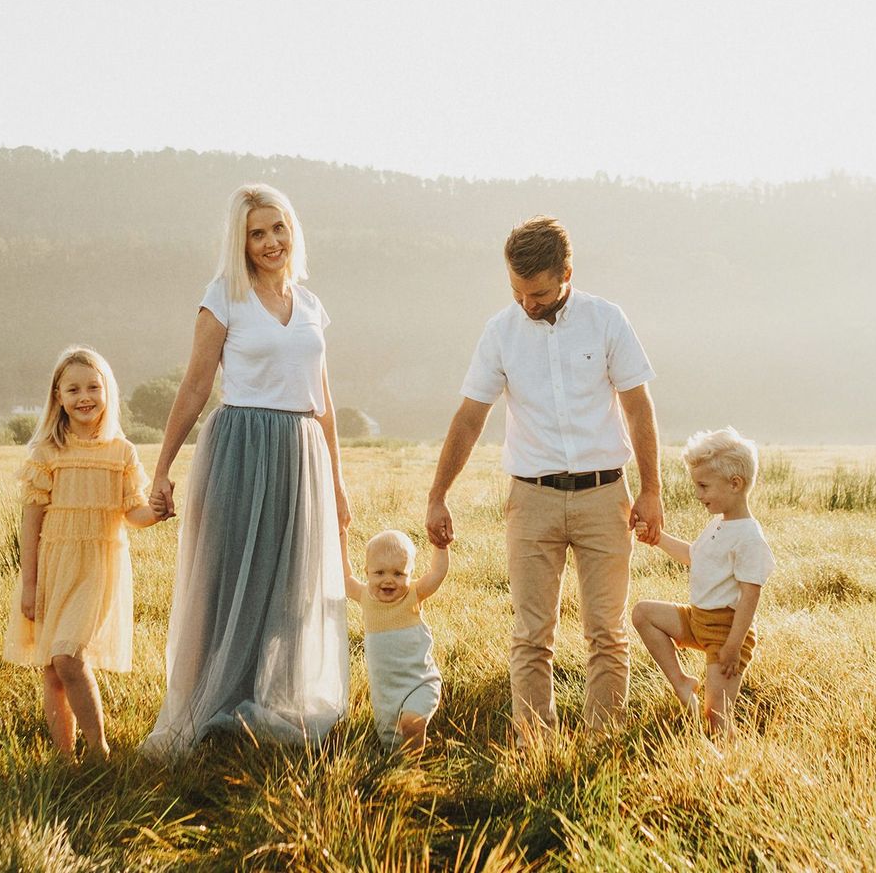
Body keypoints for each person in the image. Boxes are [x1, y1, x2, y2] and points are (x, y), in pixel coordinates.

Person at [426, 215, 663, 738]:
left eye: (538, 293)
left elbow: (638, 408)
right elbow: (470, 417)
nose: (528, 304)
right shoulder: (500, 332)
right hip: (531, 500)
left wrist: (651, 490)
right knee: (532, 634)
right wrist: (438, 495)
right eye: (517, 292)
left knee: (607, 632)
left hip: (606, 496)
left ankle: (602, 746)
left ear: (567, 273)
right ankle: (535, 749)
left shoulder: (606, 320)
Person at [142, 184, 350, 756]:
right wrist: (161, 468)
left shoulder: (310, 307)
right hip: (240, 448)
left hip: (301, 453)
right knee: (228, 580)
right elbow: (194, 387)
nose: (270, 242)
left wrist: (336, 481)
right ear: (241, 242)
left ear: (292, 231)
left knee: (291, 589)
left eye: (277, 228)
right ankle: (207, 709)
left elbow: (323, 400)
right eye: (256, 233)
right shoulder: (224, 298)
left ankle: (268, 707)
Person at [3, 346, 164, 761]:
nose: (84, 396)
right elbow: (31, 523)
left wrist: (157, 512)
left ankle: (98, 751)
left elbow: (133, 512)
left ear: (108, 392)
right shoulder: (47, 453)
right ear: (57, 396)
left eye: (93, 386)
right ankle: (65, 758)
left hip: (98, 566)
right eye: (72, 389)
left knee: (68, 656)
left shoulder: (121, 452)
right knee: (53, 669)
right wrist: (29, 583)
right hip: (54, 566)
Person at [631, 427, 775, 737]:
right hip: (697, 619)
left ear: (735, 484)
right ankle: (681, 681)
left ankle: (732, 767)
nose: (698, 494)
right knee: (643, 613)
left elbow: (750, 597)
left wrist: (733, 647)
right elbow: (694, 556)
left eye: (704, 486)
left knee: (716, 719)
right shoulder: (718, 524)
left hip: (726, 632)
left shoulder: (749, 538)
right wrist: (656, 539)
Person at [345, 529, 448, 753]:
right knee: (393, 746)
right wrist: (342, 535)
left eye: (399, 574)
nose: (388, 580)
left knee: (411, 724)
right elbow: (345, 578)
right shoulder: (365, 597)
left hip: (419, 682)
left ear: (410, 574)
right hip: (386, 693)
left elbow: (437, 573)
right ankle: (404, 767)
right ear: (367, 572)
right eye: (379, 573)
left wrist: (440, 545)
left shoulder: (413, 595)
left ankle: (414, 772)